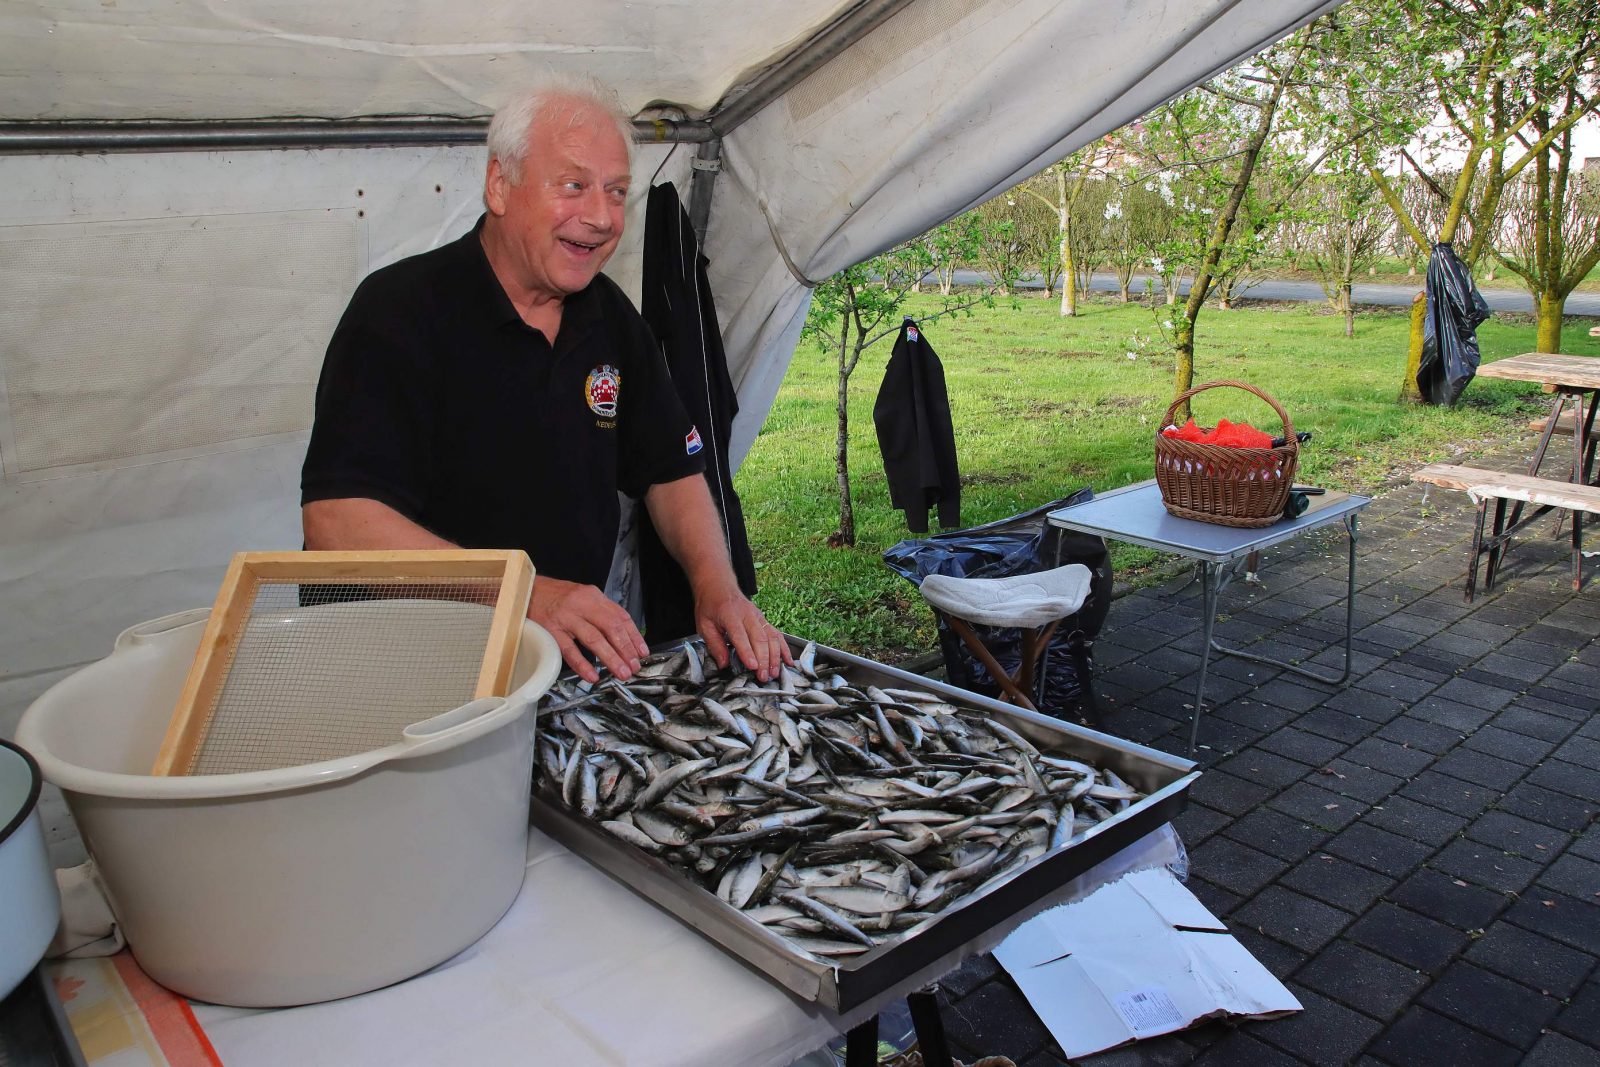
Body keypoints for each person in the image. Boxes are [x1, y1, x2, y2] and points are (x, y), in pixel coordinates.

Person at [300, 74, 787, 684]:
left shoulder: (610, 317)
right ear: (500, 185)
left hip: (546, 671)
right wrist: (522, 593)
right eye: (574, 186)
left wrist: (717, 587)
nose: (602, 217)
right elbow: (336, 523)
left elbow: (669, 470)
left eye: (616, 191)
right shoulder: (400, 311)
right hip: (399, 670)